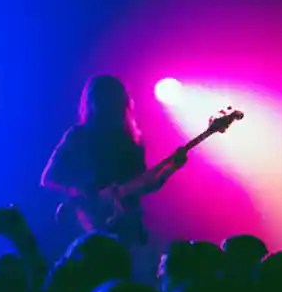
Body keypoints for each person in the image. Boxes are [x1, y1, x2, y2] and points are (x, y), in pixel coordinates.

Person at [41, 75, 183, 248]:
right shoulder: (79, 136)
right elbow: (49, 178)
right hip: (89, 228)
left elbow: (142, 184)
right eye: (104, 99)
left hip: (124, 228)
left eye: (113, 99)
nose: (109, 105)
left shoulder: (131, 142)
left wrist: (170, 169)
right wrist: (83, 192)